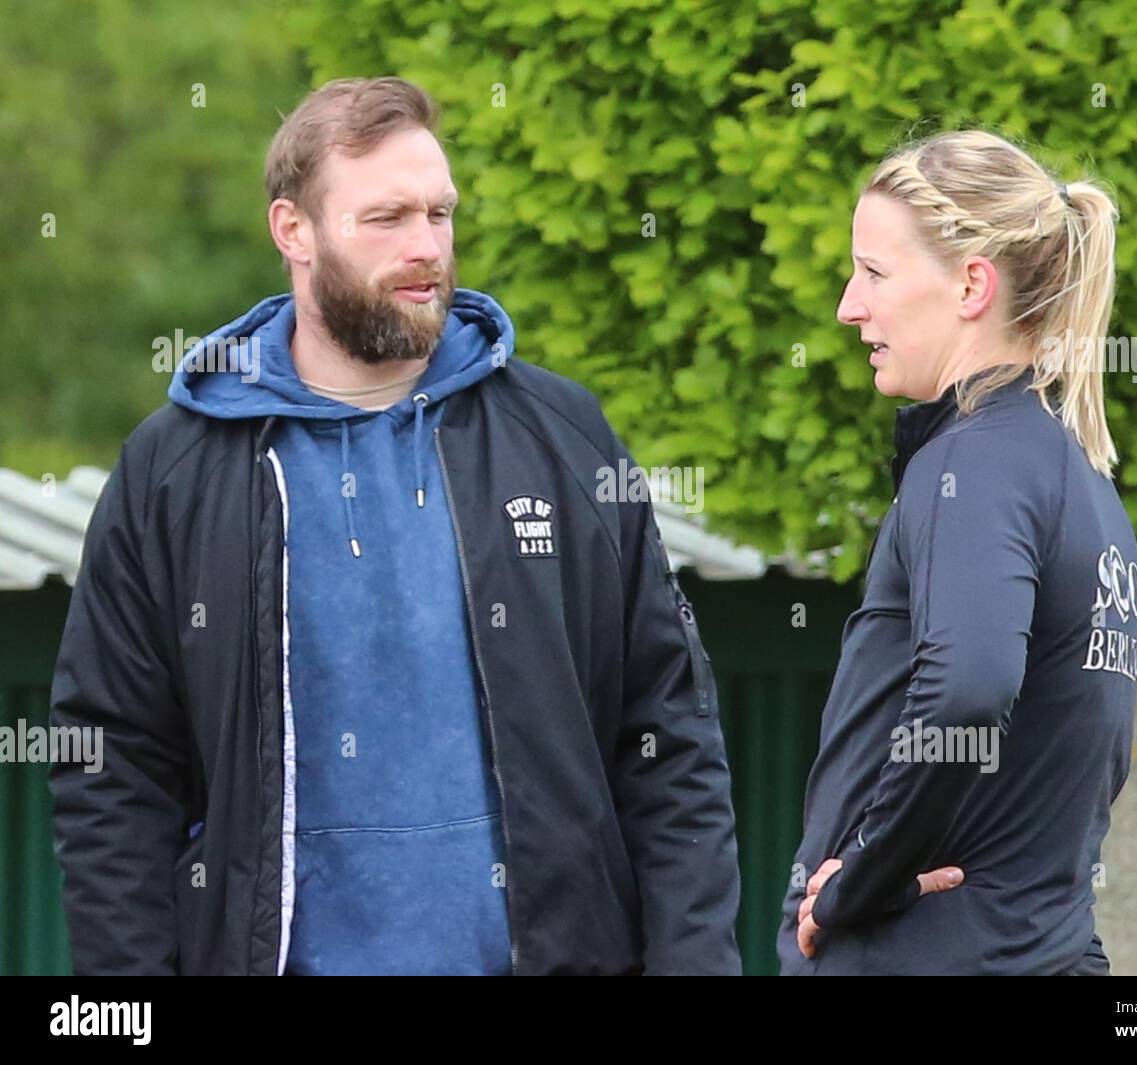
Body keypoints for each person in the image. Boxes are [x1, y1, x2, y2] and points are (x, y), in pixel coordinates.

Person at [48, 76, 741, 976]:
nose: (426, 248)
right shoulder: (177, 469)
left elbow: (668, 731)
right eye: (387, 218)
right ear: (292, 230)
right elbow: (110, 765)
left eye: (439, 214)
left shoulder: (563, 439)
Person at [777, 129, 1137, 975]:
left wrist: (856, 878)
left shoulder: (971, 463)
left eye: (873, 273)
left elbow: (968, 688)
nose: (847, 306)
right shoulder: (1081, 481)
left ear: (972, 284)